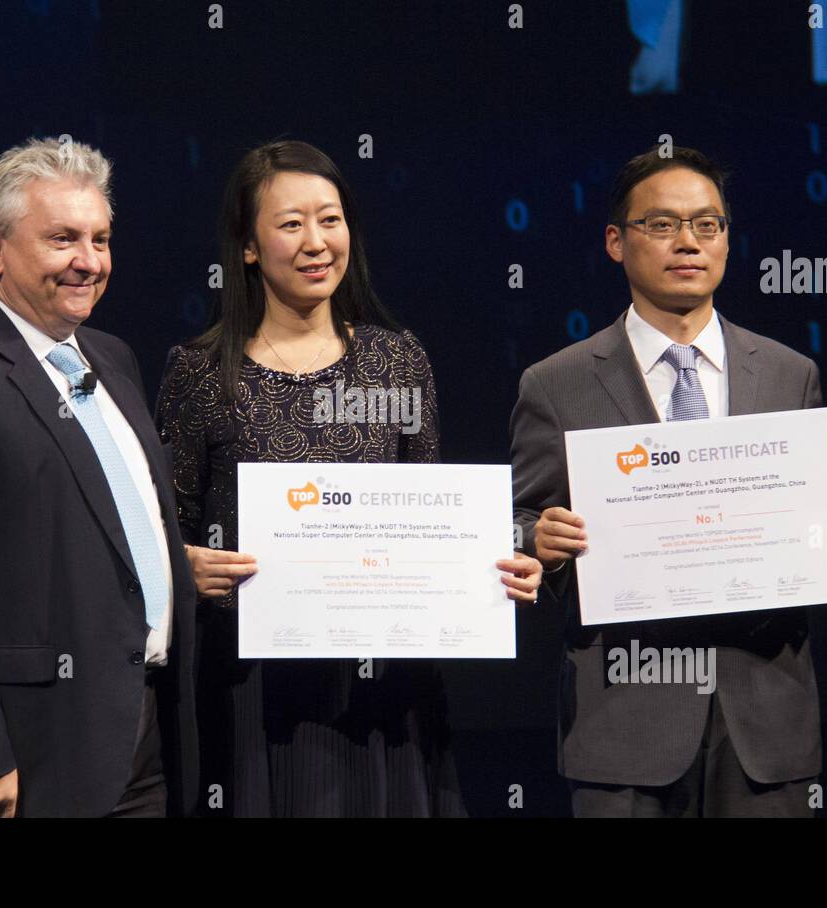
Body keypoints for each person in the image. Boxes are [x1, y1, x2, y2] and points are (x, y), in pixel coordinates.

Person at [155, 139, 542, 817]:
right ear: (248, 246)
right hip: (253, 695)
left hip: (387, 692)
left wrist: (502, 561)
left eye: (330, 220)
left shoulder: (397, 360)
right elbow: (168, 529)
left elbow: (433, 518)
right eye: (291, 223)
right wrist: (184, 567)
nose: (316, 242)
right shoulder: (199, 371)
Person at [510, 144, 827, 818]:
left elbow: (810, 508)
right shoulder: (556, 382)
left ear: (727, 241)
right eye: (662, 225)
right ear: (616, 242)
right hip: (625, 724)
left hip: (764, 722)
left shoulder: (787, 371)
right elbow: (516, 529)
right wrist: (539, 539)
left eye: (707, 225)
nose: (688, 242)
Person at [0, 137, 198, 817]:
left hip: (135, 742)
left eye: (101, 239)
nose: (89, 261)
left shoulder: (113, 359)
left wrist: (173, 567)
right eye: (63, 239)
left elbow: (103, 529)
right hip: (22, 760)